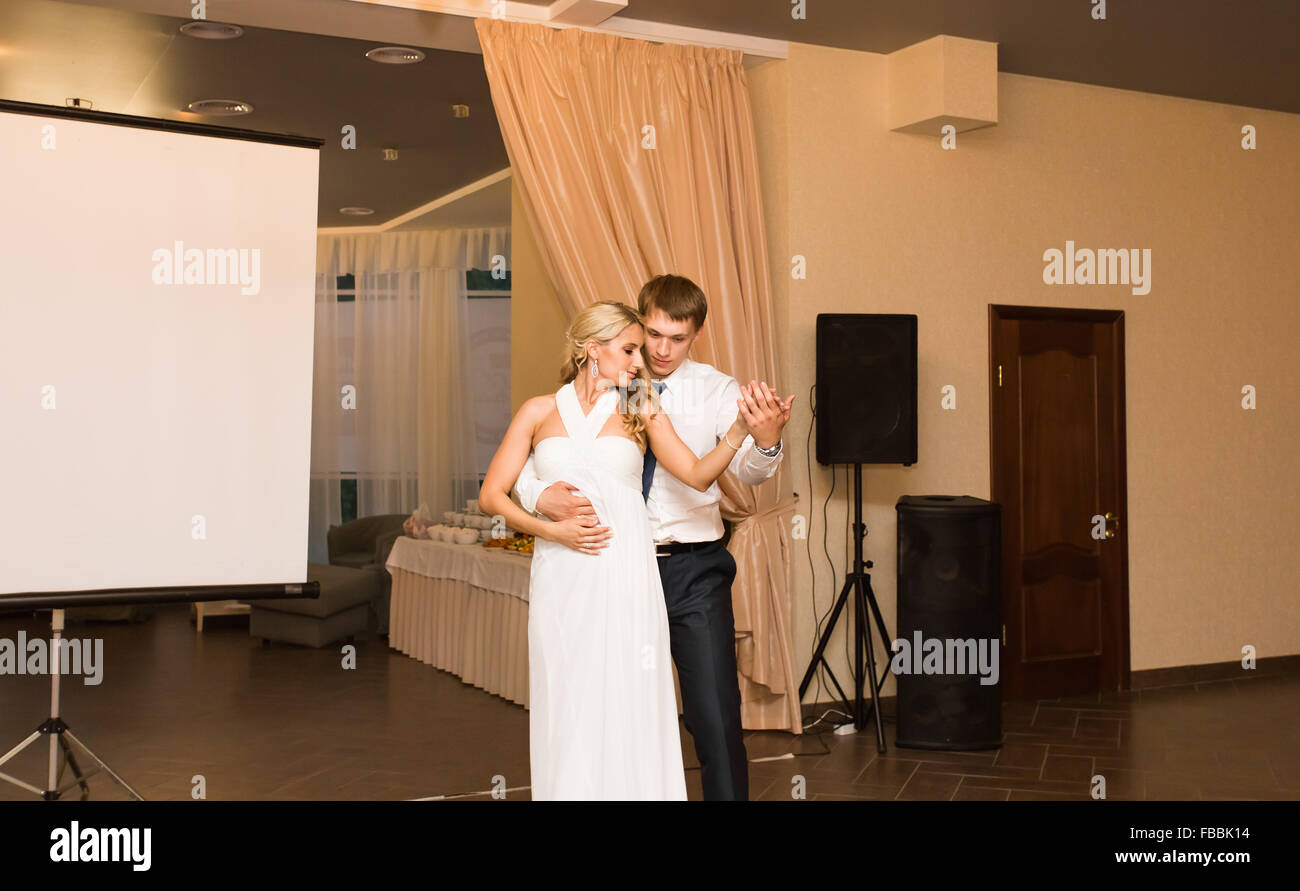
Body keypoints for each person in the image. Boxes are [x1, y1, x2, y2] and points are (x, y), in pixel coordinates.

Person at [515, 275, 794, 800]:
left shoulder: (716, 390)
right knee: (613, 707)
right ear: (637, 324)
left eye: (678, 338)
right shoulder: (609, 385)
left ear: (697, 335)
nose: (662, 350)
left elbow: (736, 474)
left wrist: (766, 442)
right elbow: (548, 459)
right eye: (653, 334)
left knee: (713, 715)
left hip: (691, 570)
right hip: (613, 568)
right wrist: (535, 495)